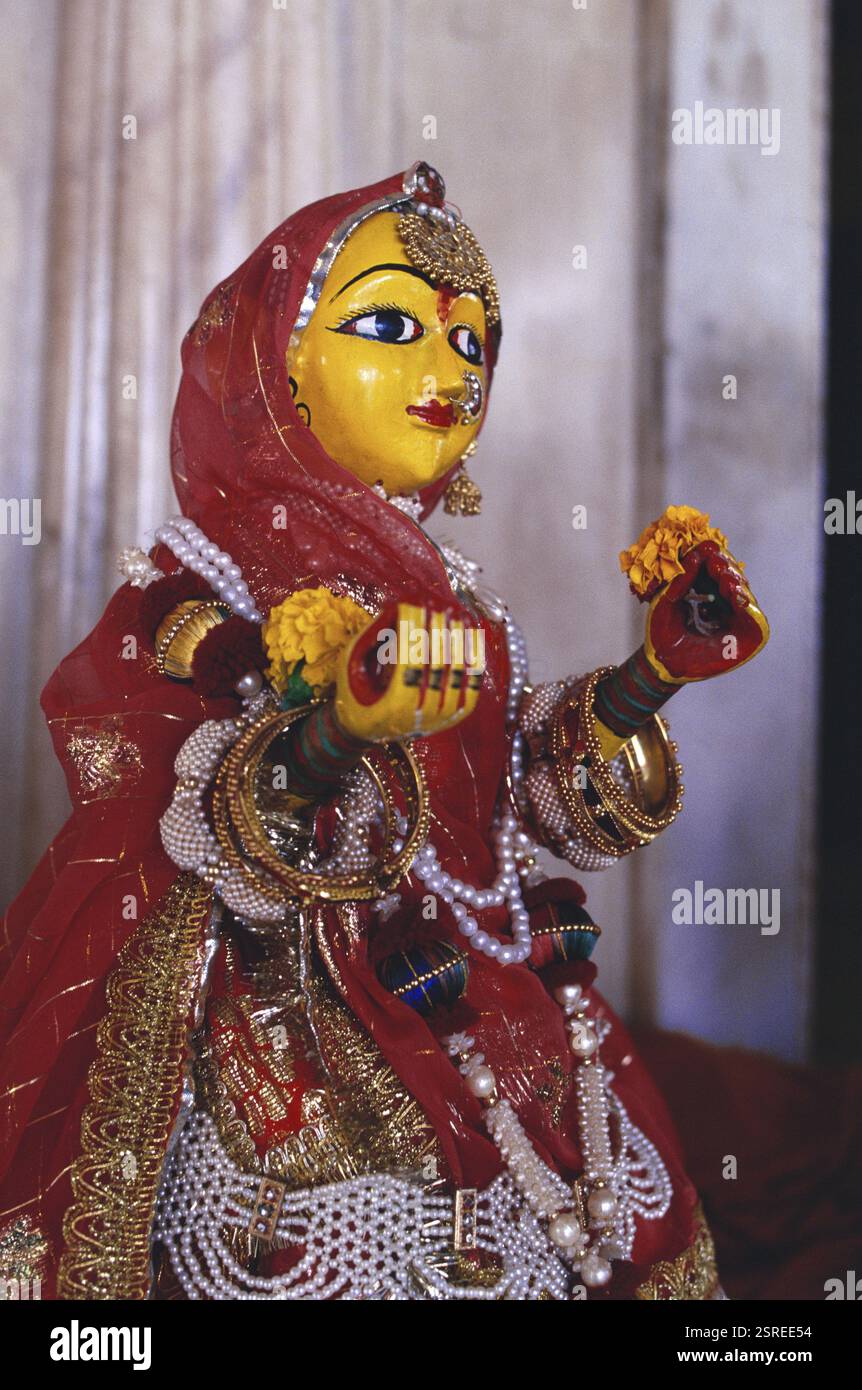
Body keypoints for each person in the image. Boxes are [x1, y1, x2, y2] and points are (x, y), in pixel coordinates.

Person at [0, 163, 768, 1301]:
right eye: (393, 325)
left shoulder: (458, 598)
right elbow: (190, 808)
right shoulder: (203, 586)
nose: (447, 375)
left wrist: (647, 680)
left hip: (477, 992)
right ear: (275, 369)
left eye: (472, 345)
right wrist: (334, 735)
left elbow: (512, 818)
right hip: (282, 1014)